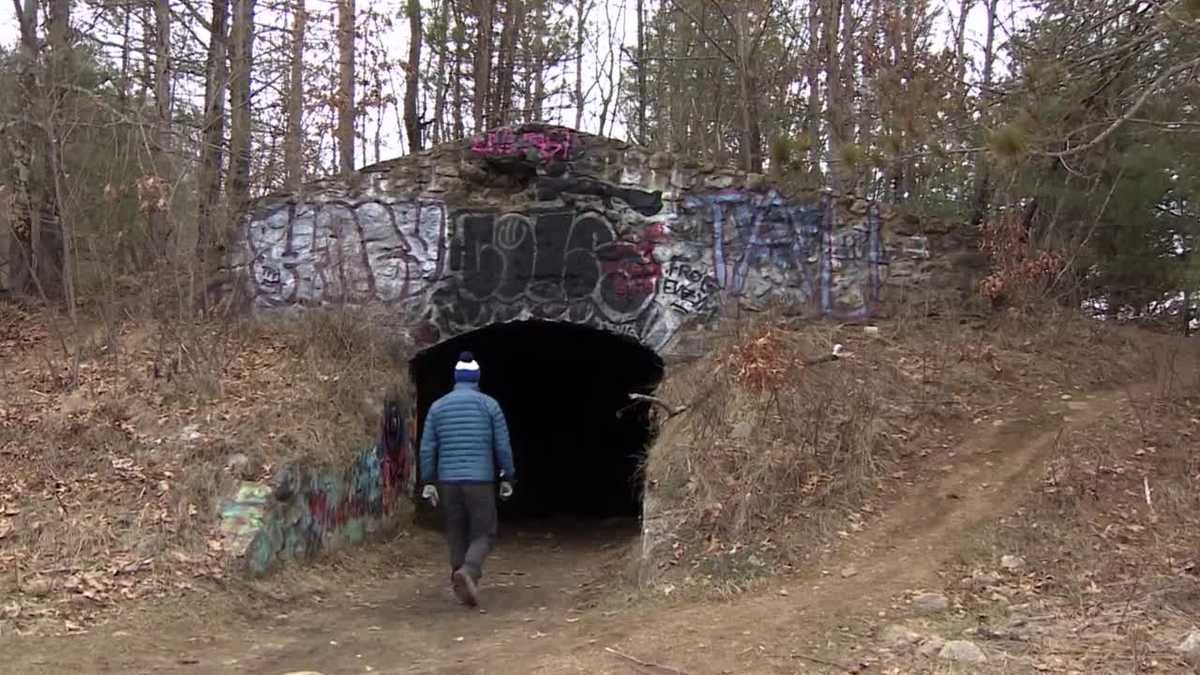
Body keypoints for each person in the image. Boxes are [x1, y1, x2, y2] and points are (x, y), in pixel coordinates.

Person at [418, 351, 516, 607]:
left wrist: (428, 481)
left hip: (448, 481)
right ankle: (469, 571)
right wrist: (508, 476)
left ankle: (458, 575)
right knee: (484, 531)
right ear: (477, 377)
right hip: (479, 479)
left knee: (456, 530)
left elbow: (427, 447)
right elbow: (502, 445)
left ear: (455, 377)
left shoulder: (437, 407)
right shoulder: (489, 405)